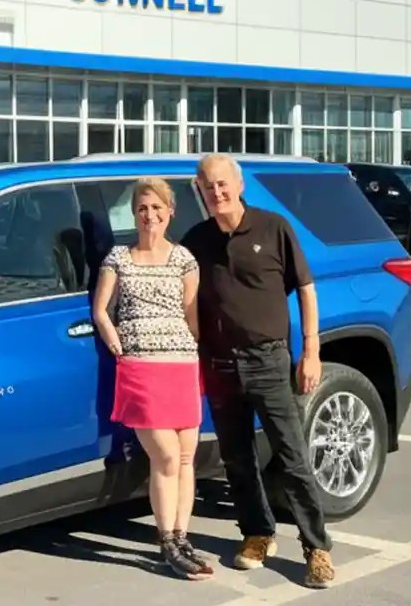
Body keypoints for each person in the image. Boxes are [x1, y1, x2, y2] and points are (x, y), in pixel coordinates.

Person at [180, 153, 335, 589]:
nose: (216, 192)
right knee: (237, 458)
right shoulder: (196, 240)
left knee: (292, 456)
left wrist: (311, 350)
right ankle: (257, 533)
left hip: (268, 361)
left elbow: (305, 288)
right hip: (220, 364)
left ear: (239, 184)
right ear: (200, 190)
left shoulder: (273, 228)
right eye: (208, 185)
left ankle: (316, 547)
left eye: (222, 184)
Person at [92, 177, 214, 580]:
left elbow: (192, 315)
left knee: (186, 457)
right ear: (134, 213)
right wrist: (115, 341)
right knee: (164, 455)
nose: (150, 215)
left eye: (157, 208)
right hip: (141, 366)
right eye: (143, 208)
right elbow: (101, 310)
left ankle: (182, 537)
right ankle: (167, 541)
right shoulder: (118, 258)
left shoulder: (183, 259)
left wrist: (201, 352)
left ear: (170, 212)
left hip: (182, 363)